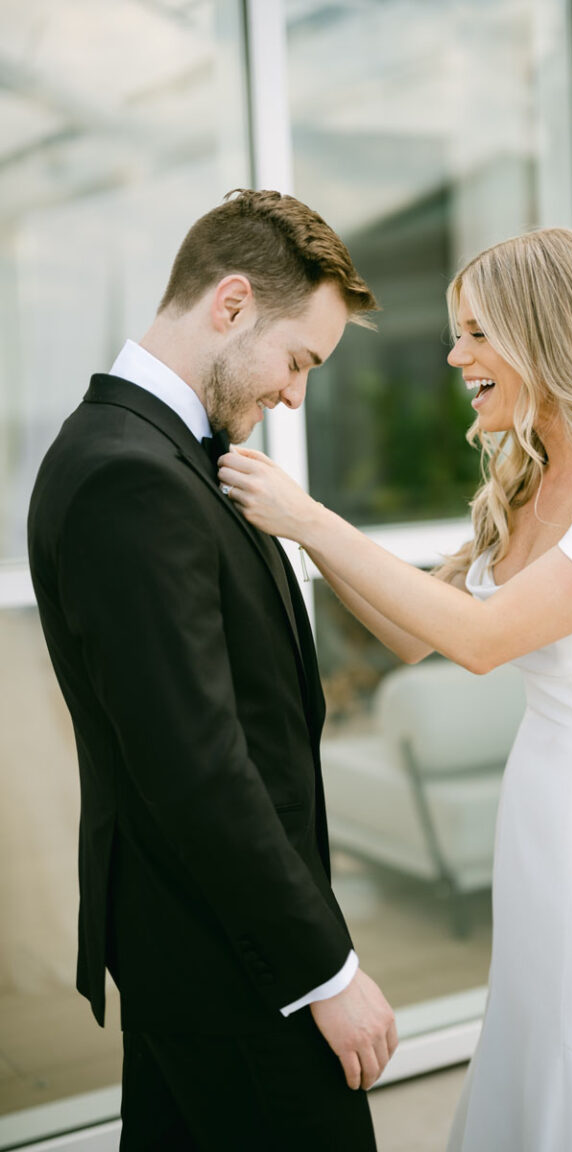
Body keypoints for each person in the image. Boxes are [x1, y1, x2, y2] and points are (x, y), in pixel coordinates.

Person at [216, 227, 572, 1152]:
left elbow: (480, 641)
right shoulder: (524, 488)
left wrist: (309, 517)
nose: (454, 356)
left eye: (476, 333)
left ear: (545, 335)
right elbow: (411, 633)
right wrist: (291, 537)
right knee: (536, 1037)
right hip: (543, 805)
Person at [27, 188, 397, 1152]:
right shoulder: (131, 475)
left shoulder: (164, 455)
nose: (295, 394)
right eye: (298, 360)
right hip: (233, 964)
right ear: (232, 305)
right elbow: (196, 764)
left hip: (201, 946)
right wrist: (326, 971)